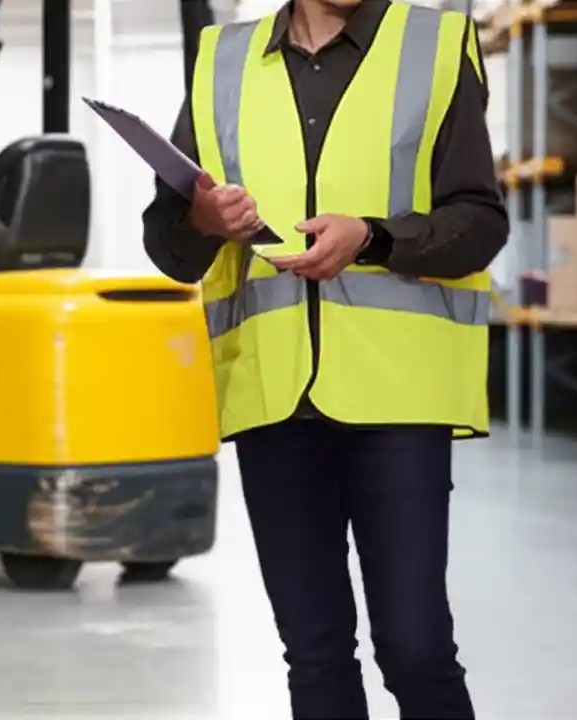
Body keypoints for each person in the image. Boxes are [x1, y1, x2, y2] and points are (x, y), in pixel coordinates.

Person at [141, 0, 506, 717]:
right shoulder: (224, 61)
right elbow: (171, 248)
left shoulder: (432, 46)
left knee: (415, 647)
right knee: (313, 655)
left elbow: (481, 222)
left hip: (399, 394)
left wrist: (372, 237)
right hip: (273, 396)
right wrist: (203, 220)